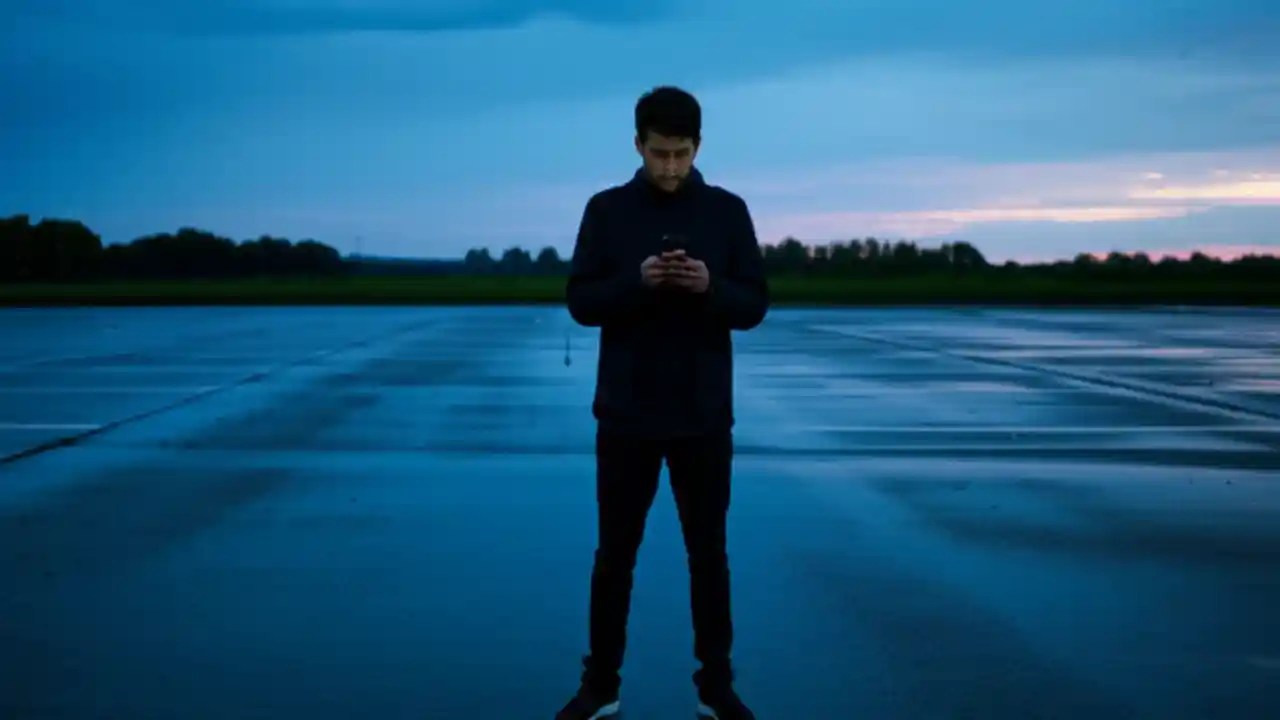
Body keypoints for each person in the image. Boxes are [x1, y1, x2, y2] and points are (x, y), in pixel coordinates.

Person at [556, 85, 769, 720]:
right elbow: (580, 301)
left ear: (699, 146)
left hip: (703, 416)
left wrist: (709, 287)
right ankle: (600, 685)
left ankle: (716, 686)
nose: (670, 166)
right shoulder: (607, 210)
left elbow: (754, 305)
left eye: (680, 153)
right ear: (637, 145)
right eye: (658, 153)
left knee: (709, 555)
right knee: (613, 557)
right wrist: (638, 282)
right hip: (625, 415)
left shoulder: (728, 212)